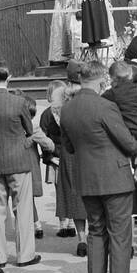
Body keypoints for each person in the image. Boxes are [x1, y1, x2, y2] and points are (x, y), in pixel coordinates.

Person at [60, 61, 137, 273]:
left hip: (87, 177)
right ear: (100, 80)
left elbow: (70, 147)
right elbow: (129, 144)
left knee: (96, 233)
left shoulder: (67, 109)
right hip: (114, 177)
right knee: (119, 235)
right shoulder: (106, 106)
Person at [0, 64, 44, 270]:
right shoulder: (19, 102)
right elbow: (29, 129)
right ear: (9, 77)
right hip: (19, 160)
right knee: (22, 208)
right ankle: (25, 254)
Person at [103, 61, 137, 257]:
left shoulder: (109, 95)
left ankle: (127, 244)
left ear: (113, 78)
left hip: (119, 149)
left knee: (121, 195)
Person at [40, 83, 87, 253]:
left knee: (70, 192)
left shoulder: (63, 113)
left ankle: (77, 232)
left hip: (66, 154)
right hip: (67, 155)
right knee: (69, 192)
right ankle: (66, 225)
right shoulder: (49, 115)